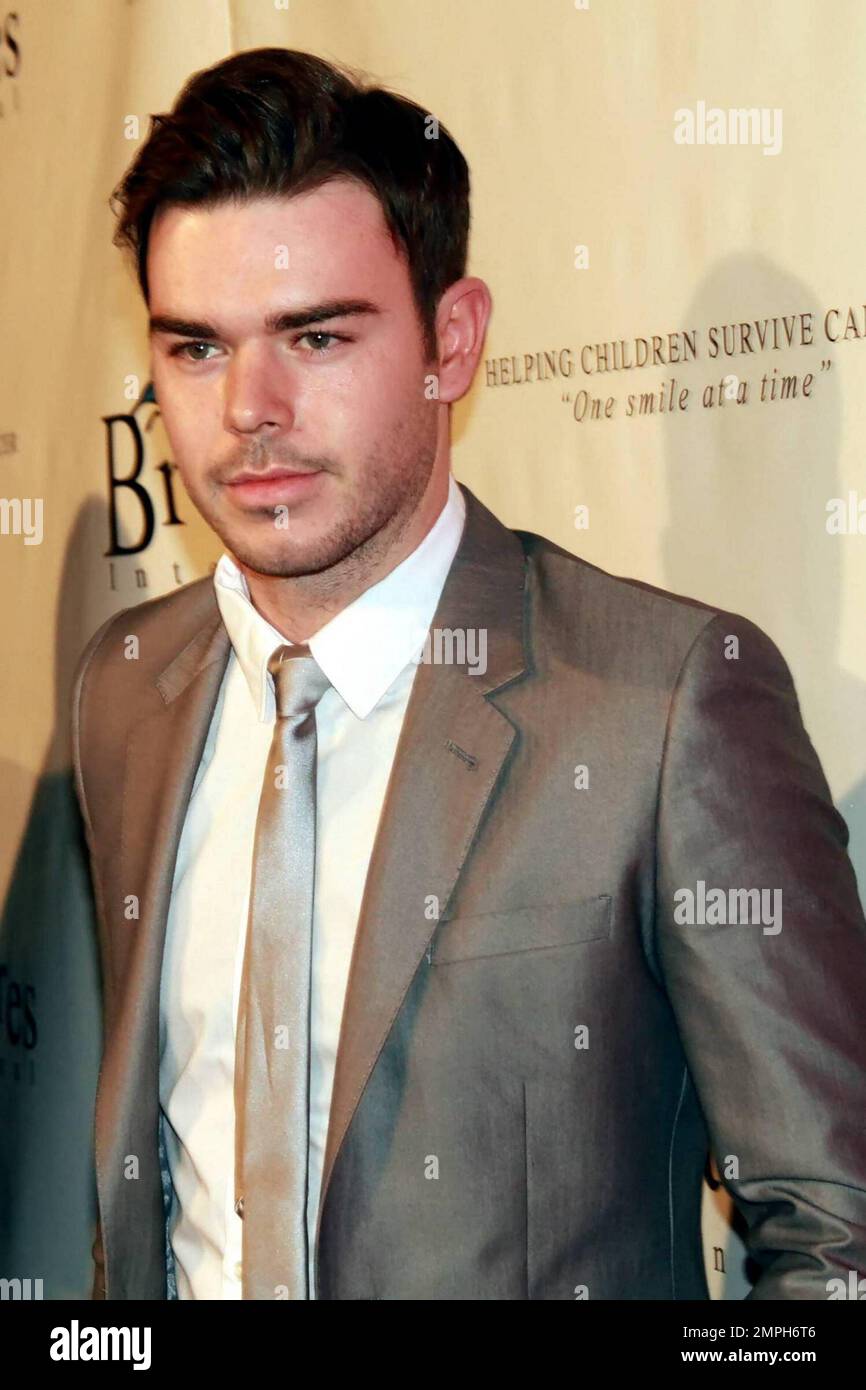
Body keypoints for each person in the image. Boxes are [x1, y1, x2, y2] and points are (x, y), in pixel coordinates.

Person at [72, 46, 866, 1301]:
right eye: (197, 350)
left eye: (315, 335)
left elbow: (833, 1233)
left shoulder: (664, 704)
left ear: (453, 339)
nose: (249, 412)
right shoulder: (128, 689)